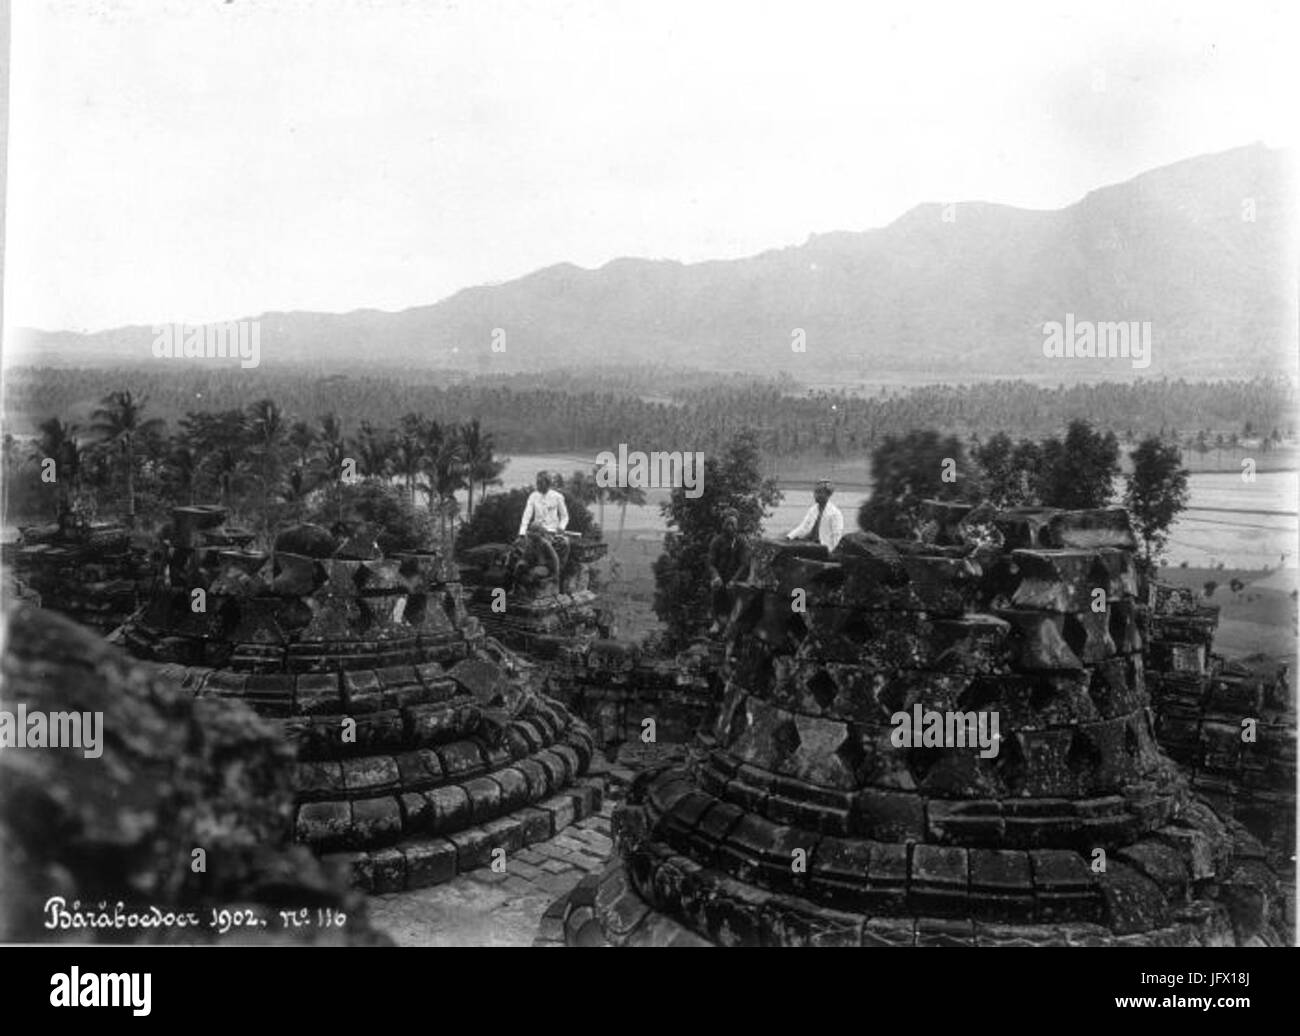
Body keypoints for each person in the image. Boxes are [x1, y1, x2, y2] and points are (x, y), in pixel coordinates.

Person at [707, 509, 751, 635]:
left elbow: (744, 564)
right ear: (723, 524)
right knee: (716, 587)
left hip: (737, 578)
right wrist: (715, 576)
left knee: (734, 592)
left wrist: (734, 580)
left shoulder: (741, 541)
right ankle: (716, 621)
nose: (730, 527)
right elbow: (710, 563)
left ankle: (732, 624)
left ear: (737, 526)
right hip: (721, 576)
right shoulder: (716, 541)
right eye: (728, 523)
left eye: (733, 524)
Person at [518, 470, 571, 571]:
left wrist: (561, 527)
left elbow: (565, 516)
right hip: (536, 530)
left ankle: (559, 570)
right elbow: (526, 516)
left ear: (547, 483)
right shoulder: (533, 496)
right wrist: (522, 533)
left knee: (565, 543)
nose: (537, 485)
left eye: (540, 483)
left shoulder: (558, 497)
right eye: (537, 482)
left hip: (553, 532)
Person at [787, 478, 844, 551]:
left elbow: (836, 535)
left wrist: (834, 552)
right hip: (811, 544)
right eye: (815, 492)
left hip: (825, 548)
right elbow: (803, 527)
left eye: (819, 492)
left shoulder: (835, 513)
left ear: (827, 494)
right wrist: (789, 537)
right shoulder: (813, 510)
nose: (816, 495)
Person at [512, 520, 560, 594]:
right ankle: (516, 589)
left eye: (535, 531)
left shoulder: (545, 544)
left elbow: (555, 559)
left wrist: (555, 574)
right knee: (518, 569)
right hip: (532, 564)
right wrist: (521, 563)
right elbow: (525, 556)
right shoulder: (530, 544)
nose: (533, 534)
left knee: (533, 573)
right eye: (532, 531)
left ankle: (531, 592)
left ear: (540, 533)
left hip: (544, 567)